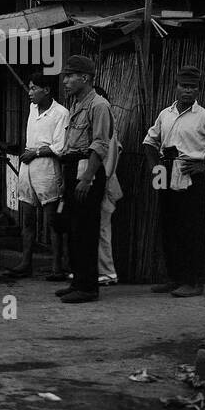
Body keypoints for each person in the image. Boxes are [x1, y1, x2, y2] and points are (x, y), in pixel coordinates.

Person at [143, 64, 205, 297]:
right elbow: (149, 142)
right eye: (183, 86)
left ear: (198, 90)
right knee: (169, 226)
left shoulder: (204, 117)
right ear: (176, 86)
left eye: (192, 87)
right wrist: (155, 170)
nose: (187, 91)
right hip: (165, 171)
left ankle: (193, 282)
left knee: (191, 228)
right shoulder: (165, 114)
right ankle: (174, 278)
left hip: (191, 174)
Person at [57, 55, 114, 304]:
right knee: (73, 228)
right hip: (73, 168)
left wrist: (88, 178)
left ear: (85, 78)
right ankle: (78, 281)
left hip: (87, 170)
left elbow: (100, 144)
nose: (66, 81)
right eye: (65, 76)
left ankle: (89, 287)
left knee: (86, 229)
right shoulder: (76, 104)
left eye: (70, 76)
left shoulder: (98, 105)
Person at [6, 73, 69, 279]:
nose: (30, 93)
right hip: (27, 164)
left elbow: (60, 146)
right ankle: (26, 262)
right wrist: (30, 153)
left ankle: (57, 267)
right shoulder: (33, 109)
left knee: (53, 220)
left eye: (34, 89)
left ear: (47, 90)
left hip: (46, 166)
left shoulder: (61, 113)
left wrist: (38, 152)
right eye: (30, 88)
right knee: (28, 217)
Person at [95, 85, 123, 288]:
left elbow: (110, 161)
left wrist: (101, 182)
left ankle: (107, 271)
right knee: (96, 229)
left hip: (104, 184)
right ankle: (98, 269)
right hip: (100, 182)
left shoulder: (108, 129)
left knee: (102, 230)